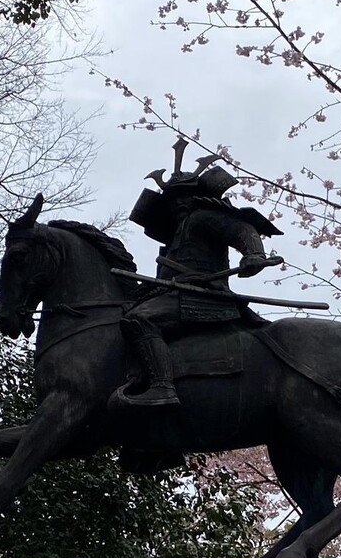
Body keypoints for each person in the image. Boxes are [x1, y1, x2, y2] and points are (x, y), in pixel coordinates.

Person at [112, 148, 283, 410]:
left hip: (203, 295)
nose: (179, 202)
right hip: (174, 294)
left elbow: (242, 229)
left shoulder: (203, 217)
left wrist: (254, 255)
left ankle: (162, 386)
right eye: (172, 199)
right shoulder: (173, 238)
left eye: (184, 196)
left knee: (140, 319)